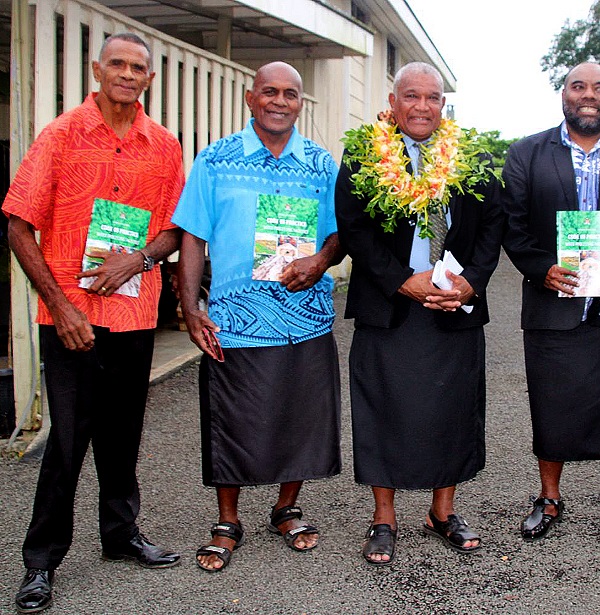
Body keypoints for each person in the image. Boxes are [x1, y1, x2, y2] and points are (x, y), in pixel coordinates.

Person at [3, 33, 184, 613]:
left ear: (149, 78)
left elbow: (174, 228)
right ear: (97, 70)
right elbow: (17, 224)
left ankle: (120, 534)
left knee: (123, 432)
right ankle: (41, 561)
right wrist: (60, 307)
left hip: (134, 312)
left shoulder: (164, 146)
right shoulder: (61, 135)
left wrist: (141, 258)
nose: (127, 74)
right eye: (117, 65)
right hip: (72, 319)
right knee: (67, 441)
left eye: (138, 68)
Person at [172, 62, 344, 573]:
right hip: (235, 320)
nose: (279, 101)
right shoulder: (215, 159)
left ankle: (286, 508)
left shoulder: (321, 164)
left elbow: (340, 233)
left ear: (300, 103)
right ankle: (228, 521)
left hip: (304, 317)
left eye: (290, 94)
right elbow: (192, 236)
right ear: (251, 98)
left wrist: (321, 261)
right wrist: (190, 308)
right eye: (269, 91)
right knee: (232, 420)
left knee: (301, 417)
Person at [335, 62, 504, 565]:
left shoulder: (471, 155)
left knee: (452, 408)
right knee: (383, 407)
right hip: (390, 303)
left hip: (454, 301)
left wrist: (472, 280)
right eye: (412, 96)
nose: (422, 107)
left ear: (443, 105)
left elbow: (493, 224)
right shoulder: (365, 153)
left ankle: (441, 511)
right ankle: (383, 518)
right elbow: (354, 227)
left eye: (433, 98)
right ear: (393, 102)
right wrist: (399, 279)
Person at [501, 62, 600, 544]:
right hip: (554, 303)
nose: (589, 95)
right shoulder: (527, 153)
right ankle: (549, 497)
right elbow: (513, 228)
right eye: (579, 86)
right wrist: (540, 268)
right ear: (564, 94)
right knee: (551, 405)